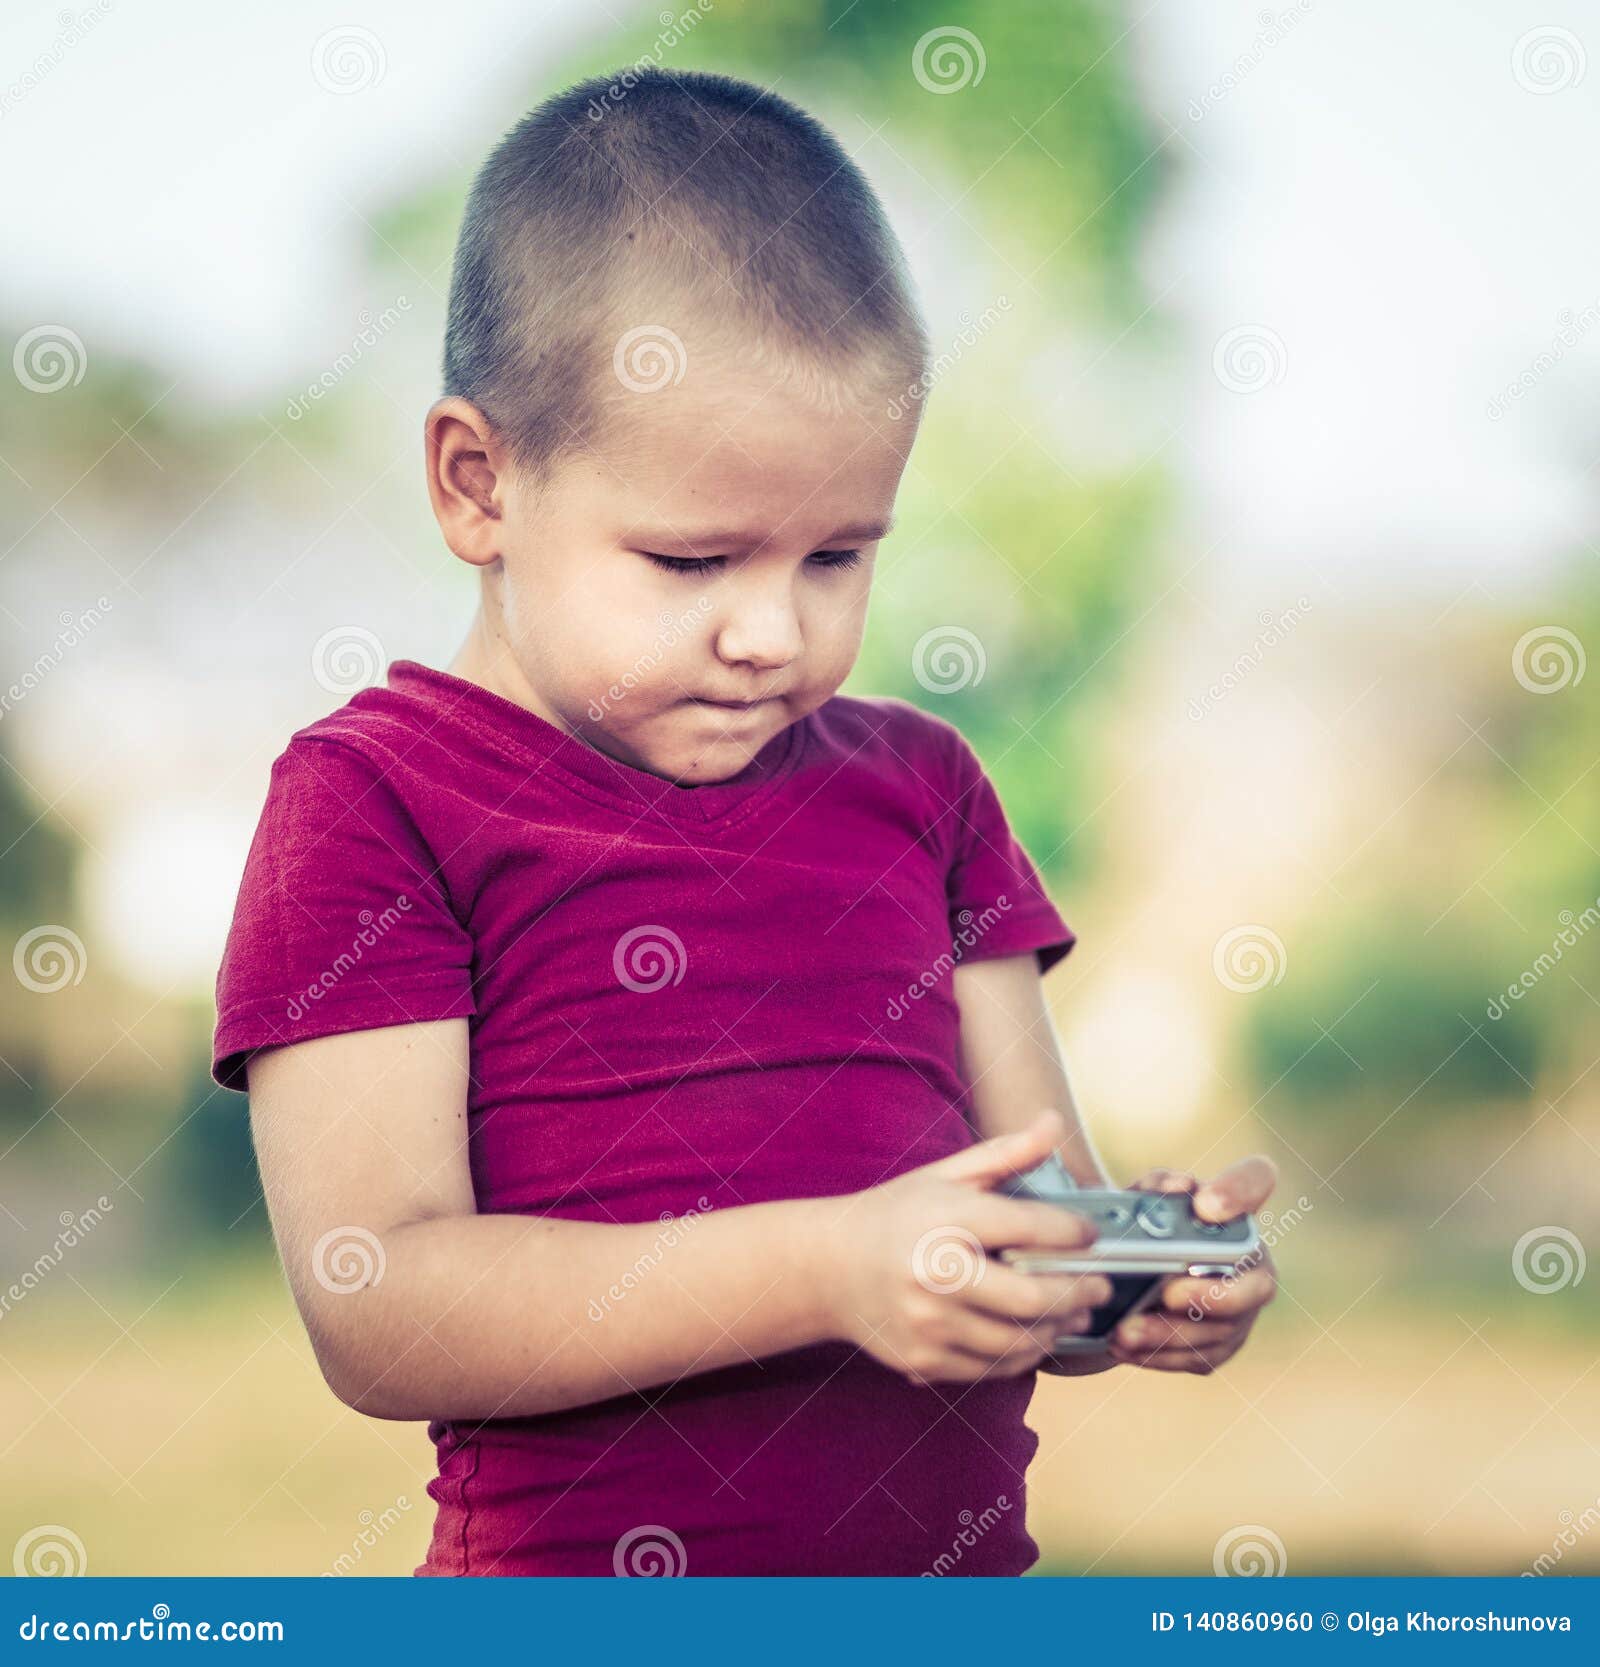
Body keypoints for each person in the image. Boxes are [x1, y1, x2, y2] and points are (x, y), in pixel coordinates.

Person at [211, 65, 1276, 1578]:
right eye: (695, 559)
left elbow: (1012, 1216)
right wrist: (826, 1270)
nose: (773, 632)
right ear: (477, 484)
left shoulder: (926, 794)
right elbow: (379, 1305)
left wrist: (1119, 1269)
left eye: (838, 555)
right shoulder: (378, 803)